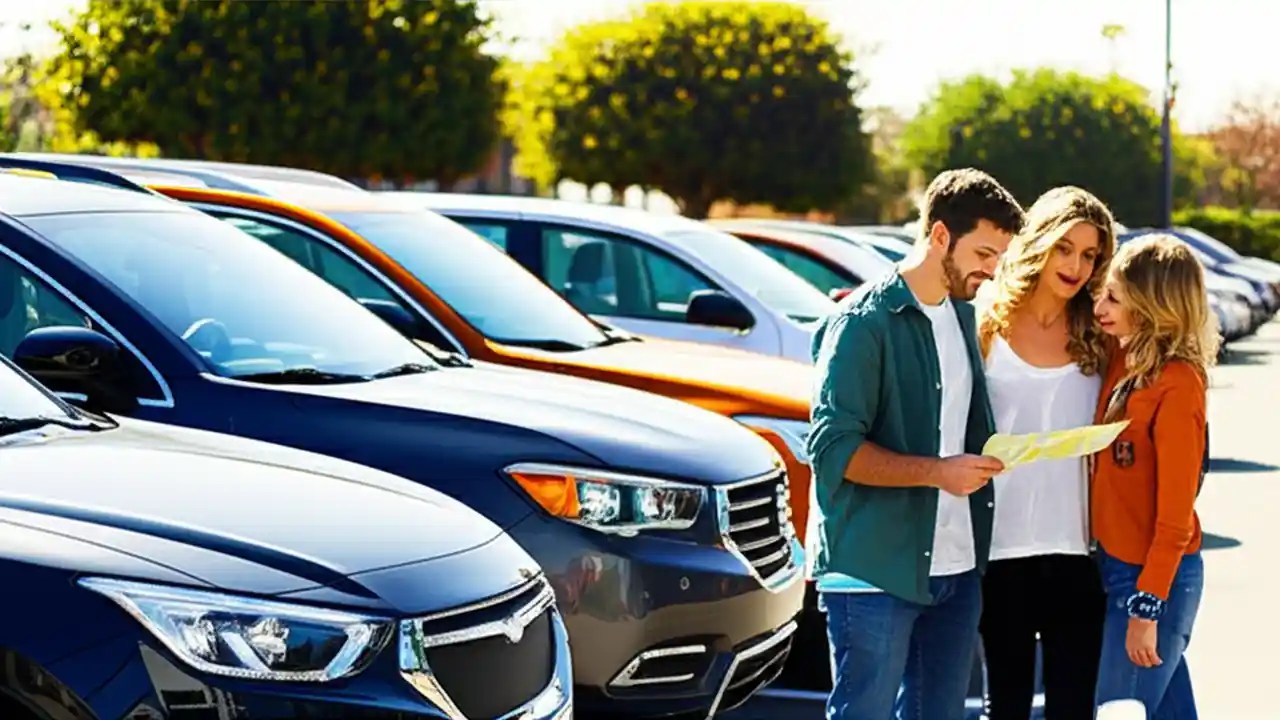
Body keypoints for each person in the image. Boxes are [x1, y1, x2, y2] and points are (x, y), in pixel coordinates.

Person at [807, 167, 1025, 719]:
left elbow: (955, 429)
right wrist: (938, 472)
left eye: (1000, 256)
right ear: (939, 236)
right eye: (983, 252)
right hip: (874, 570)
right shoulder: (864, 323)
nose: (991, 270)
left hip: (955, 567)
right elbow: (833, 451)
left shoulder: (961, 317)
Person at [973, 186, 1117, 719]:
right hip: (1000, 551)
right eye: (1065, 247)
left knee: (1073, 709)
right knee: (1004, 707)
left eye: (1090, 255)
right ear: (1040, 243)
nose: (1076, 265)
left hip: (1079, 552)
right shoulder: (984, 323)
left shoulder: (1101, 334)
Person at [1091, 234, 1218, 718]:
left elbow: (1176, 516)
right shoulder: (1127, 360)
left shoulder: (1179, 384)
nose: (1100, 306)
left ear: (1149, 305)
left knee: (1119, 711)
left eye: (1114, 297)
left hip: (1152, 581)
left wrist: (1147, 608)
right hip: (1116, 568)